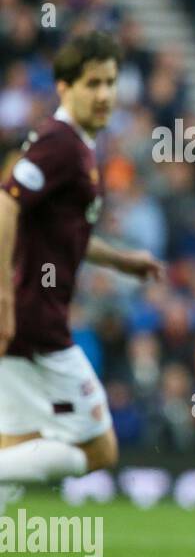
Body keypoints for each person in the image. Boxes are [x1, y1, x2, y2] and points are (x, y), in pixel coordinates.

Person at [0, 32, 164, 486]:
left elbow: (60, 232)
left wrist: (120, 259)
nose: (104, 94)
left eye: (110, 83)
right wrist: (4, 298)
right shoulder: (61, 143)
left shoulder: (76, 148)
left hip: (26, 317)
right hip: (34, 318)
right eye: (92, 83)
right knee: (98, 449)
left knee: (18, 443)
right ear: (64, 87)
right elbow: (6, 203)